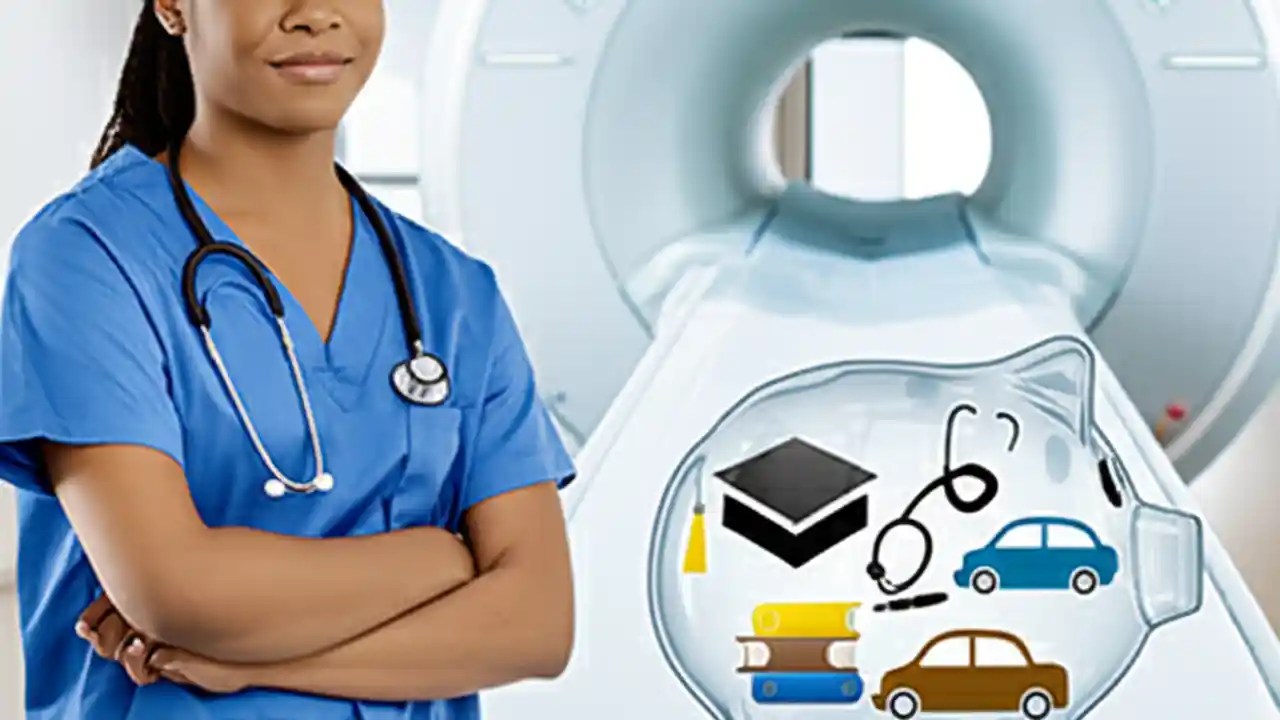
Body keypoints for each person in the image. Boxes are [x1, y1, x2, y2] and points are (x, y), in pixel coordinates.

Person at [0, 1, 577, 718]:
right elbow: (174, 591)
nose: (315, 14)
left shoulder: (454, 293)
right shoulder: (86, 257)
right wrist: (441, 559)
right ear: (175, 6)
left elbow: (538, 623)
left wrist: (245, 663)